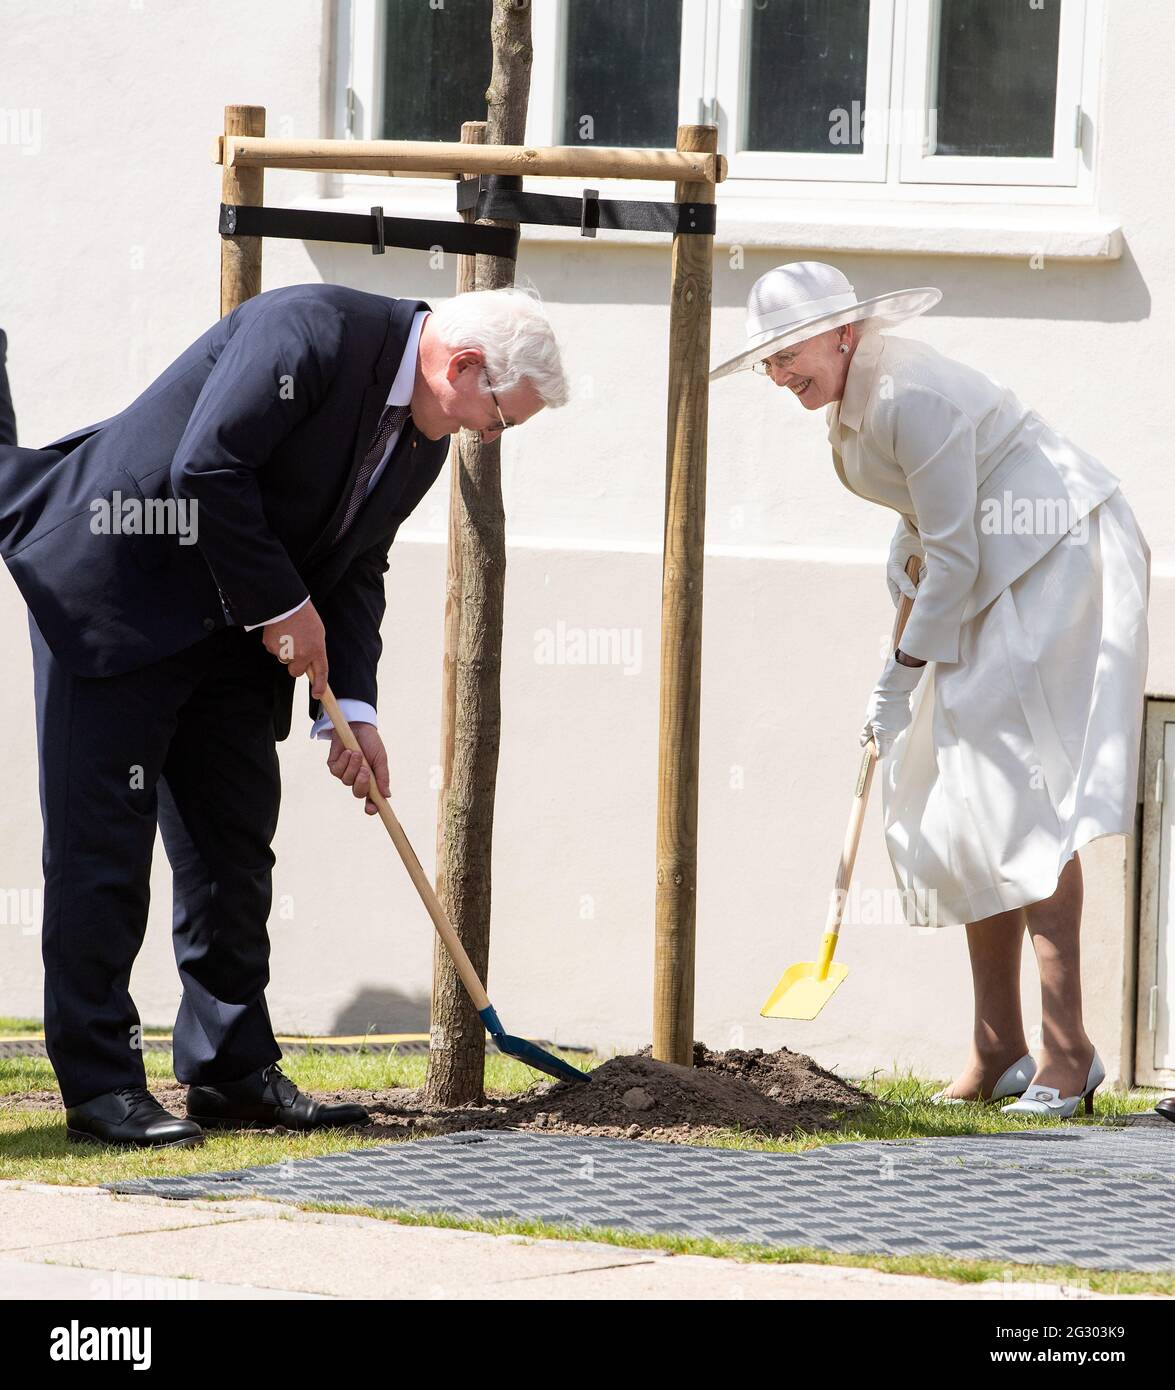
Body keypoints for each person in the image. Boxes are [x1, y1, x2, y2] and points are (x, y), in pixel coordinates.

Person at [0, 283, 568, 1147]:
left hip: (229, 633)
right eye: (499, 418)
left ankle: (232, 1072)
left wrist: (353, 710)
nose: (489, 437)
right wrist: (280, 603)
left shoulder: (420, 430)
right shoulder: (311, 330)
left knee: (234, 849)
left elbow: (356, 562)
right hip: (117, 597)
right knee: (100, 851)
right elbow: (207, 467)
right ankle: (101, 1086)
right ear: (461, 366)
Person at [712, 261, 1152, 1119]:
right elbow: (929, 537)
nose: (776, 373)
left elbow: (953, 552)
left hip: (1057, 556)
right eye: (765, 359)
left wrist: (905, 669)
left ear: (843, 332)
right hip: (987, 566)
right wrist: (898, 652)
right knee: (962, 792)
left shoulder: (910, 394)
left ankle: (1068, 1056)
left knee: (1022, 793)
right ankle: (998, 1047)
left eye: (786, 351)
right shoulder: (850, 400)